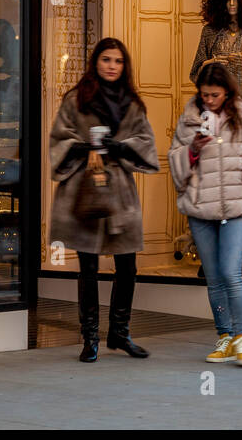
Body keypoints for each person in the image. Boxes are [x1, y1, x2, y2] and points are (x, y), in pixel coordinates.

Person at [49, 38, 160, 363]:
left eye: (118, 61)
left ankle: (120, 333)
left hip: (120, 193)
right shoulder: (76, 99)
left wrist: (120, 147)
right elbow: (60, 136)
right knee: (89, 266)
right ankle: (90, 337)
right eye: (106, 59)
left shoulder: (133, 104)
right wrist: (83, 148)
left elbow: (145, 141)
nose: (112, 66)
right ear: (95, 62)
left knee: (127, 264)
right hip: (85, 188)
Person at [170, 61, 242, 366]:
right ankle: (225, 337)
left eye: (215, 95)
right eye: (204, 95)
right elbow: (175, 163)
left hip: (235, 208)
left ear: (228, 92)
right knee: (214, 278)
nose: (209, 100)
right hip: (200, 209)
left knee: (231, 273)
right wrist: (192, 149)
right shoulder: (189, 120)